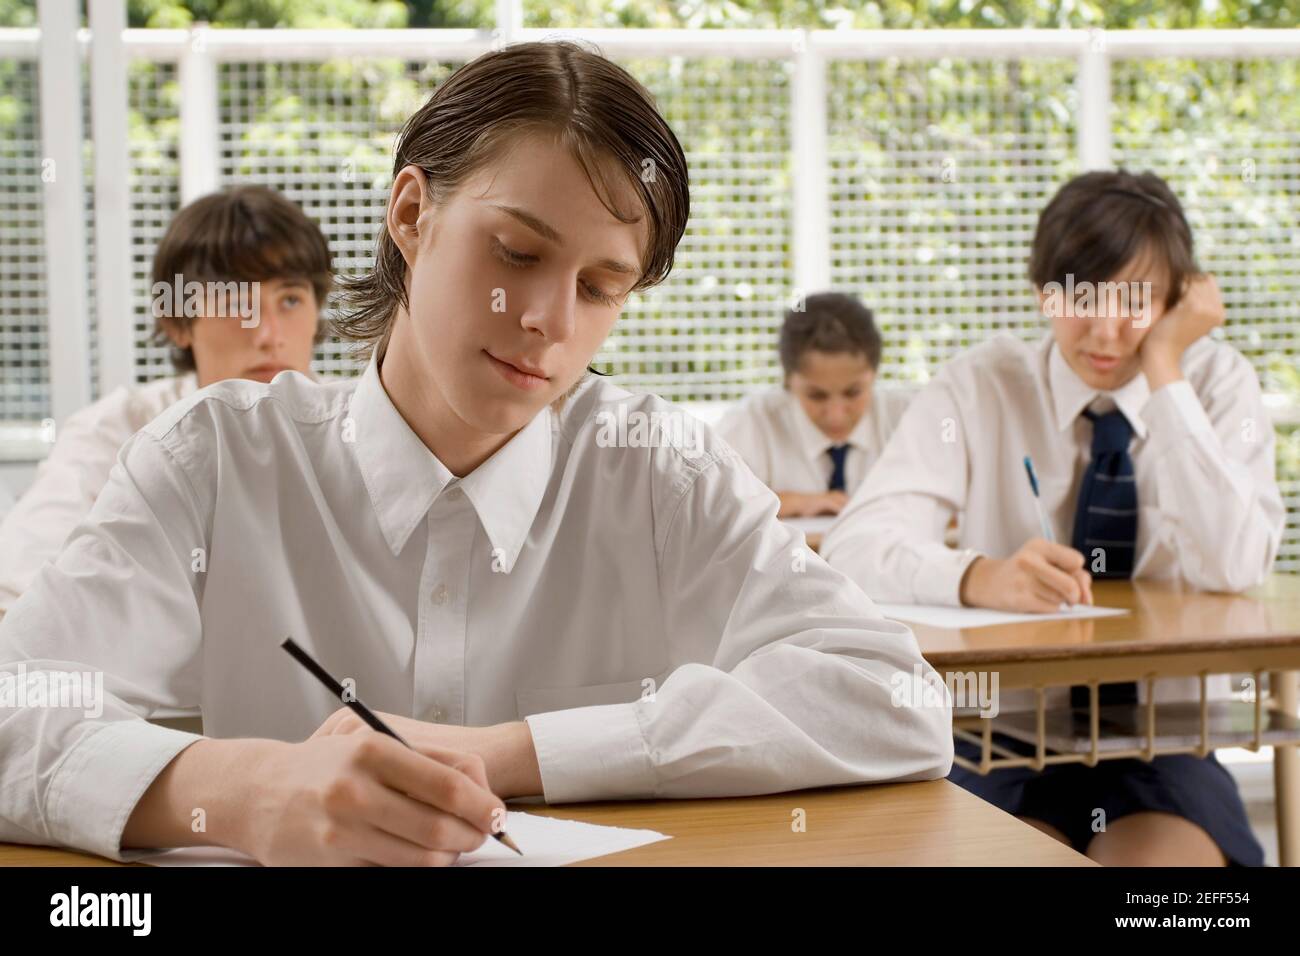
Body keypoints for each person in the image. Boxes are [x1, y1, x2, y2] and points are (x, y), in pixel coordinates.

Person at [0, 41, 951, 867]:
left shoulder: (658, 469)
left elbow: (894, 697)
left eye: (600, 286)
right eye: (515, 253)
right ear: (411, 215)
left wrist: (508, 752)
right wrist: (250, 790)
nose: (547, 321)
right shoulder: (215, 462)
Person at [822, 170, 1284, 866]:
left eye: (1136, 299)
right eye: (1079, 297)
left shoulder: (1214, 385)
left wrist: (1165, 370)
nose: (1104, 330)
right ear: (1044, 292)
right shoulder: (980, 384)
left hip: (1161, 744)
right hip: (997, 739)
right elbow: (852, 545)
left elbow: (1237, 563)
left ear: (1177, 299)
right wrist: (979, 575)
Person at [0, 185, 331, 620]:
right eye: (235, 303)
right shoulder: (117, 429)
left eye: (290, 300)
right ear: (177, 324)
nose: (269, 333)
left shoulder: (359, 424)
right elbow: (18, 598)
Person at [716, 292, 909, 518]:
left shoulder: (907, 416)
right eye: (817, 396)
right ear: (788, 381)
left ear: (874, 375)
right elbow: (713, 508)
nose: (836, 415)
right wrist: (793, 503)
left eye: (853, 393)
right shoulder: (749, 421)